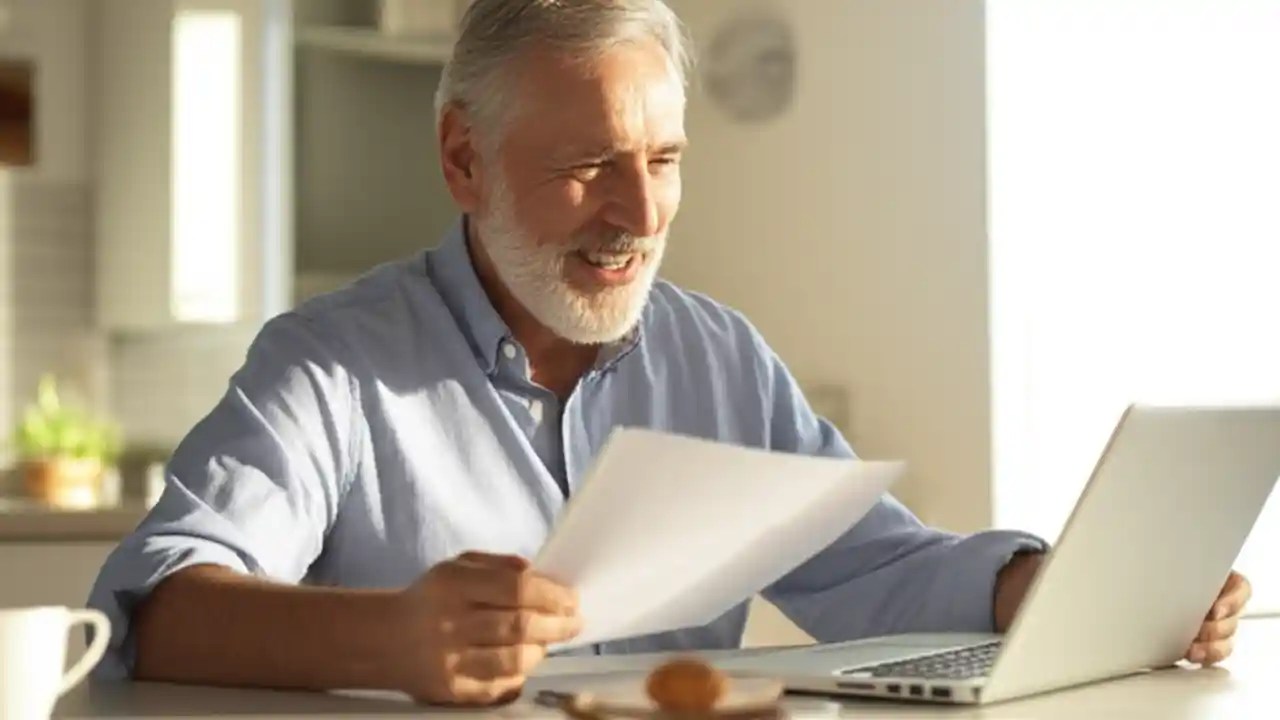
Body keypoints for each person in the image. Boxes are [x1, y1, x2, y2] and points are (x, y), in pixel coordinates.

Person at [86, 0, 1251, 707]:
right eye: (588, 166)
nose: (640, 215)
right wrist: (391, 638)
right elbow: (154, 614)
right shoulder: (332, 368)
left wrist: (1040, 591)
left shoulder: (718, 356)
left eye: (665, 158)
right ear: (461, 160)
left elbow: (868, 568)